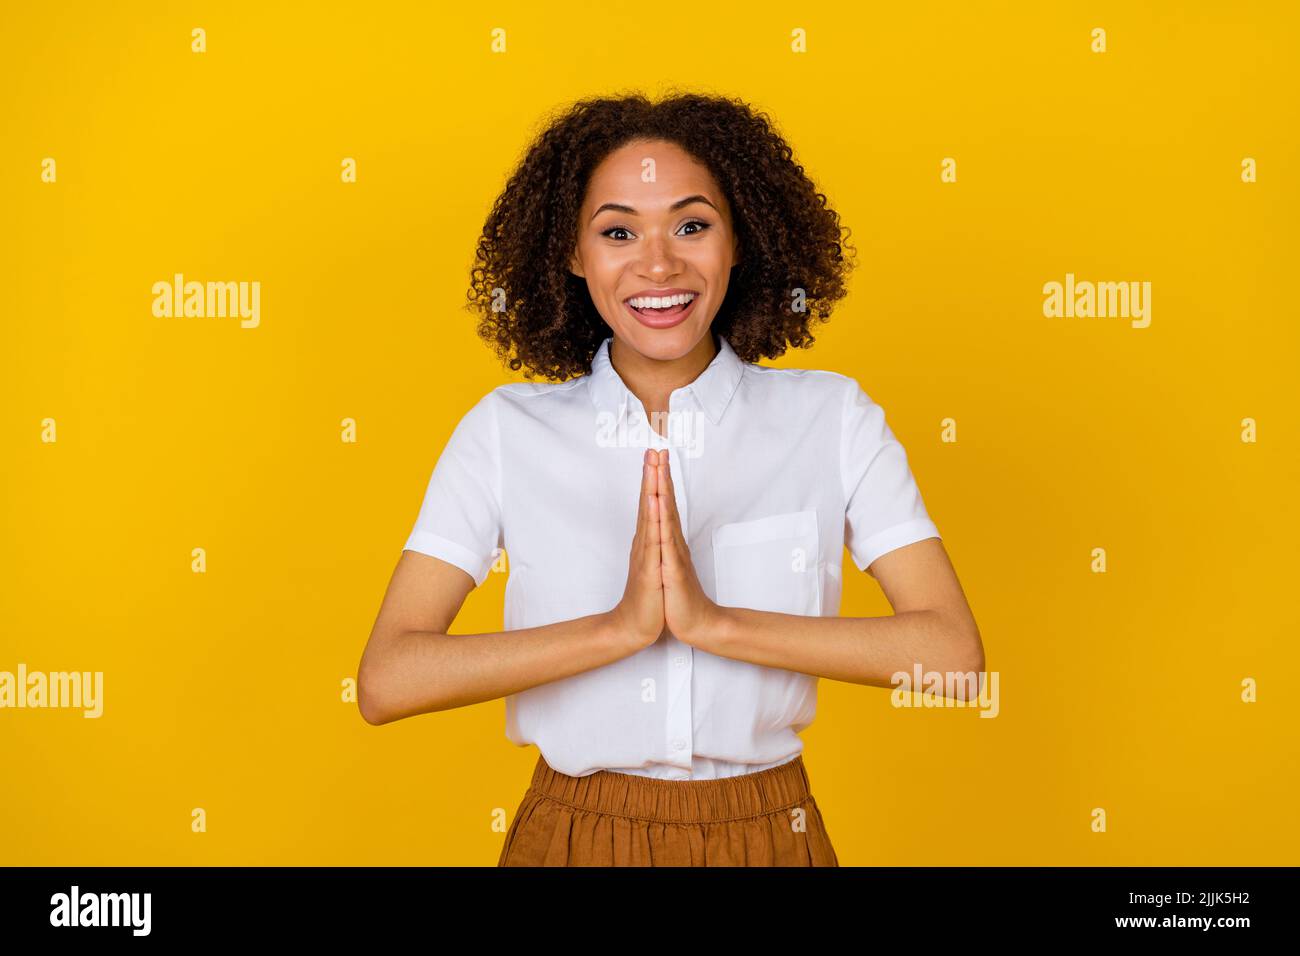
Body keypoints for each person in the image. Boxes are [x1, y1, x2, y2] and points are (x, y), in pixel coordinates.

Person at [358, 91, 983, 866]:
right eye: (618, 231)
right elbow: (386, 682)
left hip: (770, 833)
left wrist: (714, 623)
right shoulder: (504, 432)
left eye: (692, 225)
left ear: (738, 241)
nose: (659, 264)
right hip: (574, 833)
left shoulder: (833, 420)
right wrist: (618, 629)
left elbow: (953, 660)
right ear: (572, 254)